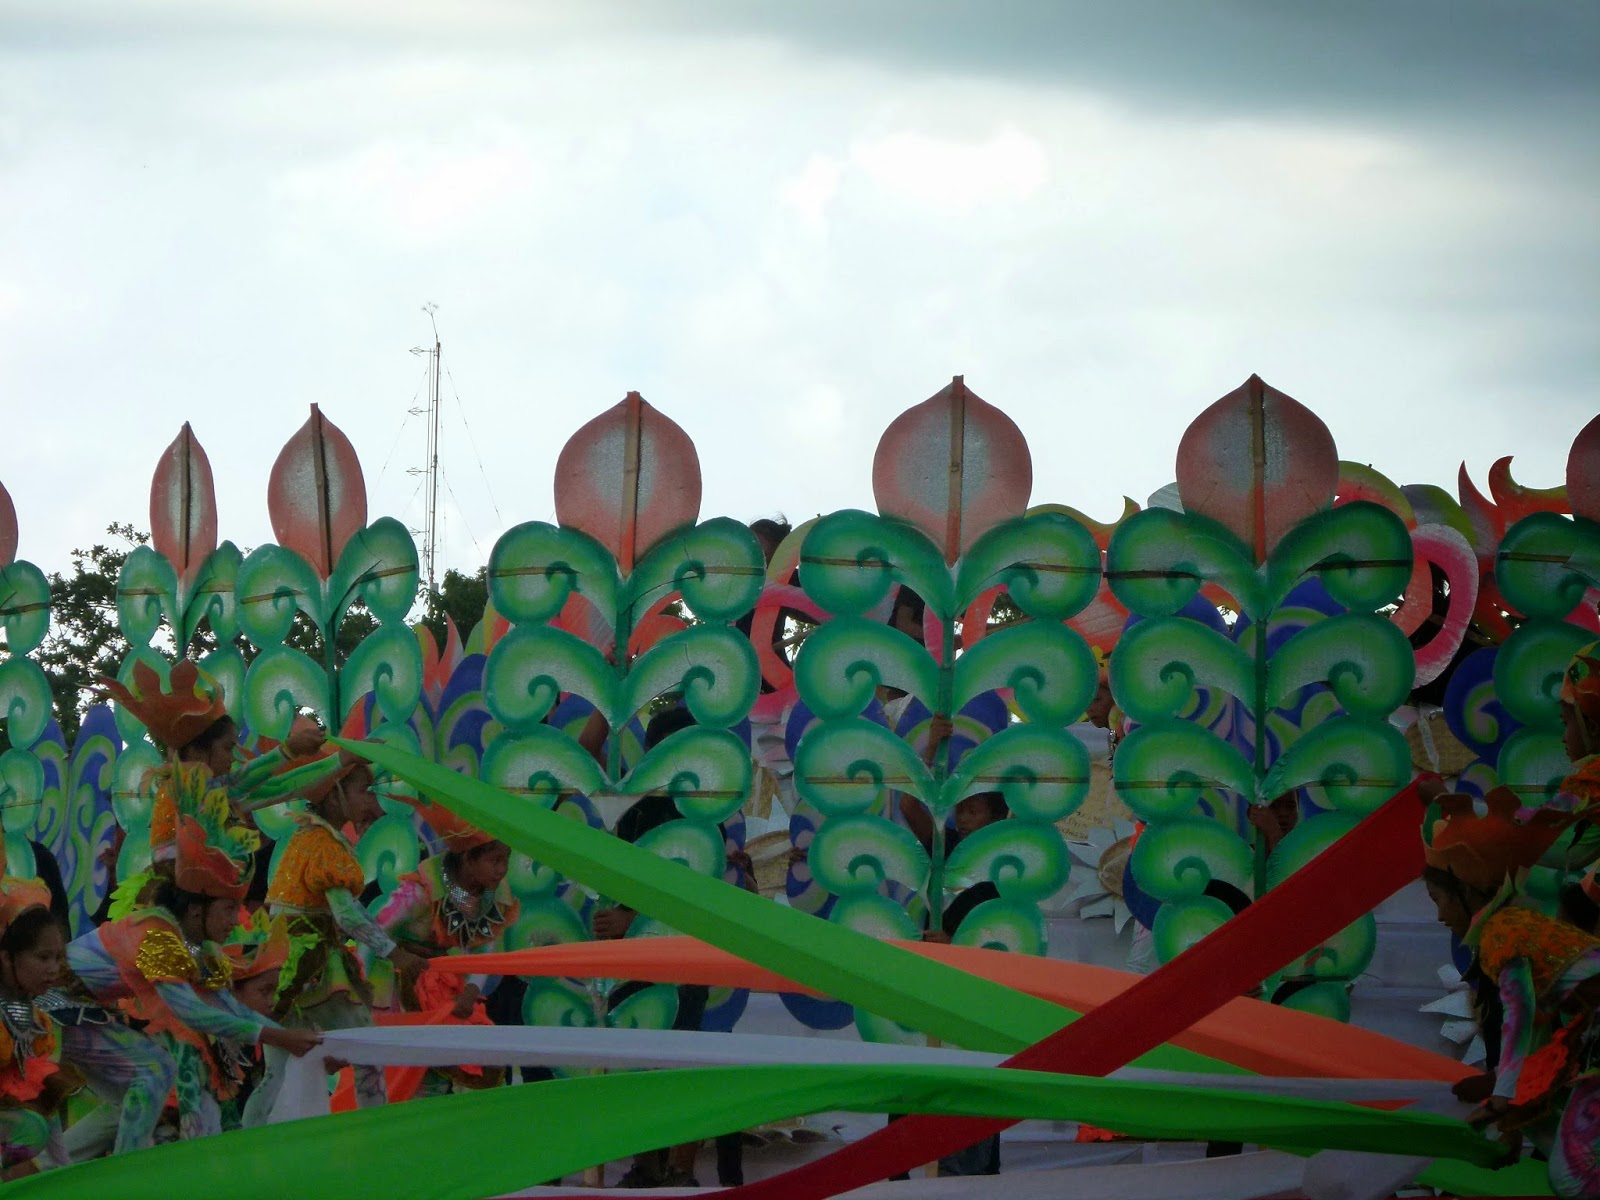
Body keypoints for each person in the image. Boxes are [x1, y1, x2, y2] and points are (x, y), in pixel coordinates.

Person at [1418, 641, 1600, 1198]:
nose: (1563, 736)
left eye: (1568, 720)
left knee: (1574, 1175)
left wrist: (1505, 1094)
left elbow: (1556, 842)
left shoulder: (1503, 933)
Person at [59, 787, 320, 1158]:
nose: (236, 920)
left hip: (81, 1013)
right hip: (52, 1007)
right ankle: (128, 1176)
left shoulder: (194, 945)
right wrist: (279, 1037)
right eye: (228, 909)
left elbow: (225, 1004)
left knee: (140, 1093)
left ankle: (58, 1170)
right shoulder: (157, 935)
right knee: (153, 1072)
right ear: (197, 909)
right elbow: (191, 1012)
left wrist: (302, 1044)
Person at [239, 754, 427, 1126]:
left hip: (284, 961)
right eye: (362, 791)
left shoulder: (310, 836)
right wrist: (393, 953)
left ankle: (246, 1140)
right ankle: (375, 1131)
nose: (370, 800)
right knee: (366, 1047)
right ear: (333, 794)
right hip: (311, 960)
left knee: (277, 1068)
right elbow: (346, 914)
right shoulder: (322, 842)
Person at [372, 800, 519, 1097]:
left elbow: (485, 951)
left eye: (506, 860)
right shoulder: (418, 894)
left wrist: (471, 991)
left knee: (444, 1066)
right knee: (403, 1067)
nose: (502, 870)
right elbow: (372, 933)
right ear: (468, 859)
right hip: (388, 980)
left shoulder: (488, 899)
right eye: (494, 861)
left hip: (437, 981)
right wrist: (380, 997)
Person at [0, 868, 76, 1179]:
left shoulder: (30, 1013)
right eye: (43, 958)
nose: (54, 969)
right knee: (29, 1131)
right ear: (7, 958)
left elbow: (41, 1098)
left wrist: (64, 1171)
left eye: (58, 958)